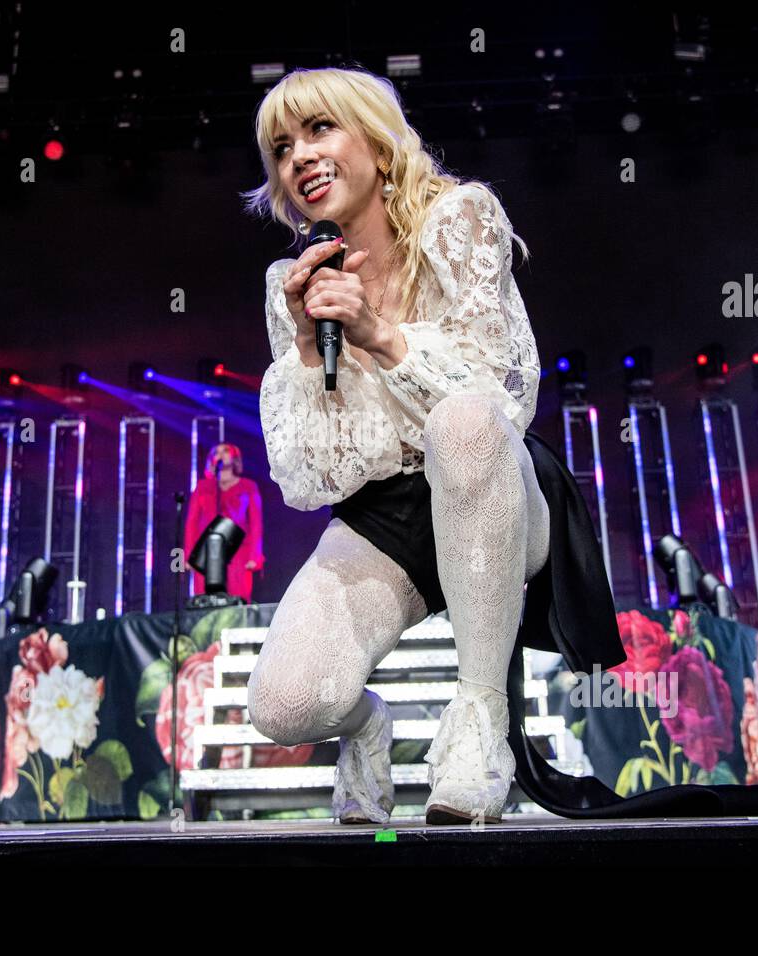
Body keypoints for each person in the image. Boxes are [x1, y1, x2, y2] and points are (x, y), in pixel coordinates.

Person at [240, 66, 551, 825]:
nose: (300, 158)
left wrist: (379, 335)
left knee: (465, 425)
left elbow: (501, 393)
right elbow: (316, 479)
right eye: (282, 147)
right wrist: (314, 360)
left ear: (377, 144)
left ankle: (480, 729)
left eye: (320, 130)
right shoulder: (298, 279)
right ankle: (368, 729)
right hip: (389, 511)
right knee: (282, 705)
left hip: (491, 483)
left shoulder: (458, 219)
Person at [183, 442, 265, 602]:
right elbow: (191, 522)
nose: (220, 454)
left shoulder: (248, 486)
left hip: (238, 551)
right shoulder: (202, 487)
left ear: (235, 457)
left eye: (225, 451)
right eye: (216, 452)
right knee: (205, 600)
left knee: (237, 601)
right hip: (206, 550)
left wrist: (255, 555)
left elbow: (256, 523)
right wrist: (189, 555)